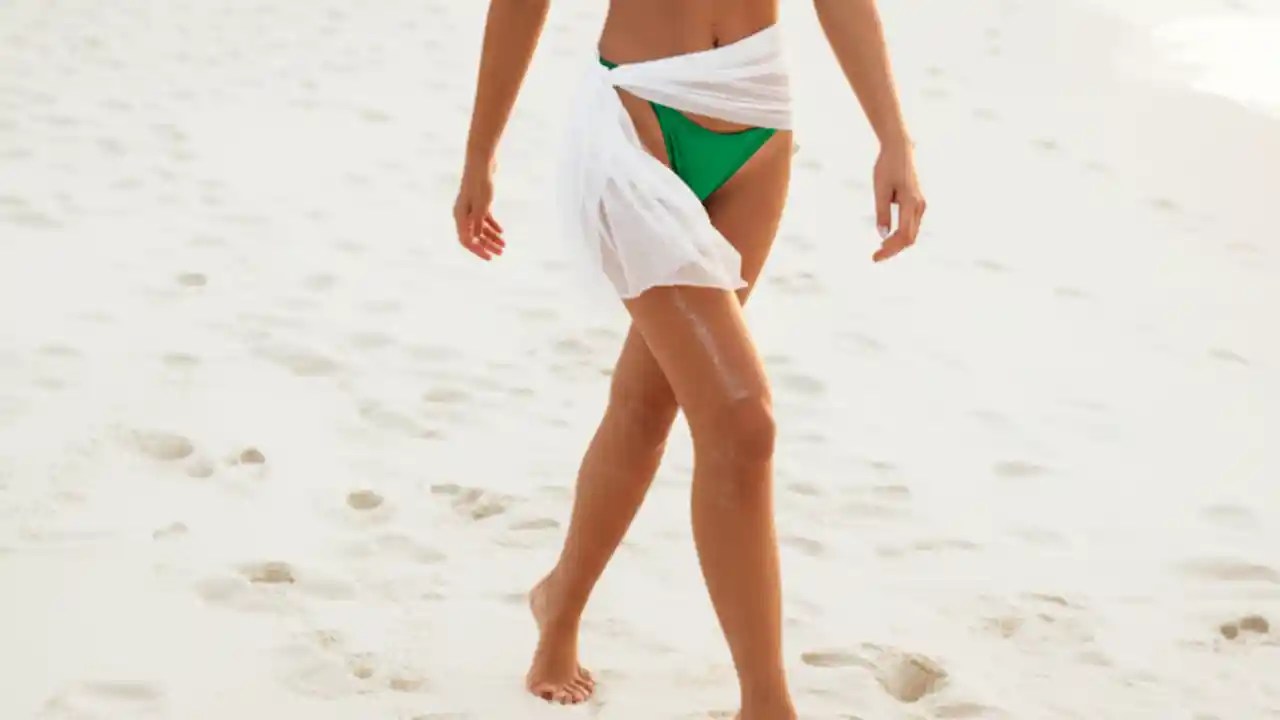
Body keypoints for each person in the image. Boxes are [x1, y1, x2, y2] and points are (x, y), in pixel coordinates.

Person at [453, 1, 925, 717]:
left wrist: (893, 137)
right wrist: (480, 155)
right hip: (634, 128)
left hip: (759, 111)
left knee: (649, 403)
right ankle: (768, 705)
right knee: (742, 420)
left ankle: (560, 603)